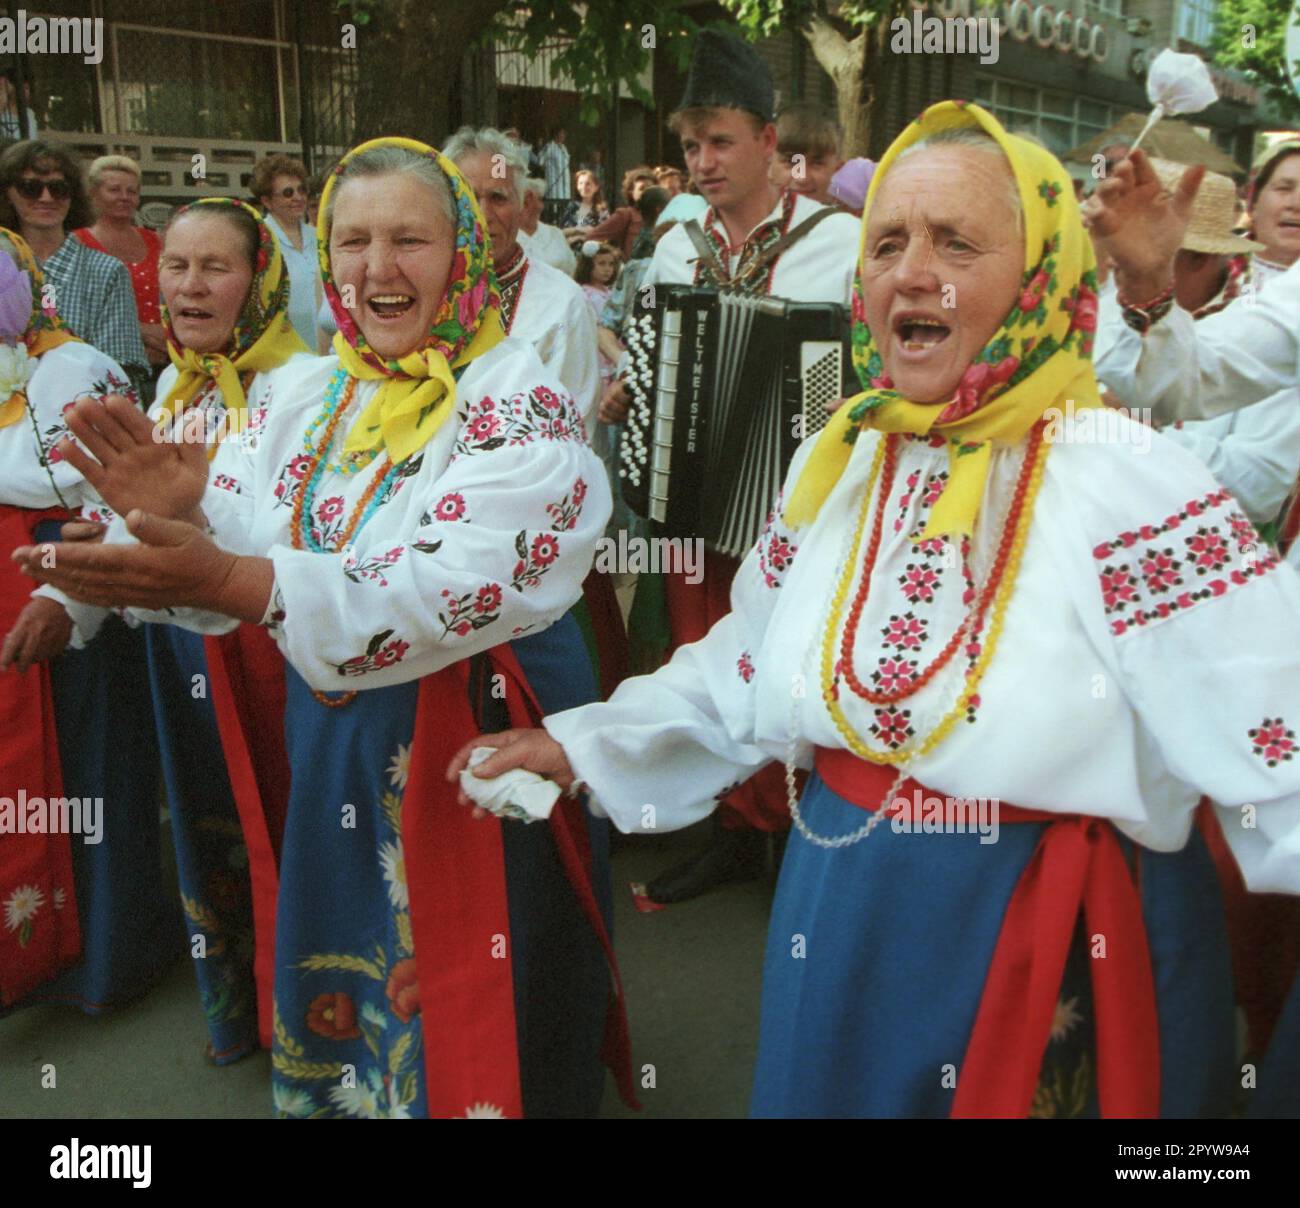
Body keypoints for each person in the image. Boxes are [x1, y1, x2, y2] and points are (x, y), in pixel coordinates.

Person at [452, 100, 1300, 1119]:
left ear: (1040, 274)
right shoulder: (842, 459)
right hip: (842, 904)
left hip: (1044, 939)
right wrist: (587, 744)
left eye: (956, 241)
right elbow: (753, 656)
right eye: (887, 240)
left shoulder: (1130, 481)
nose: (910, 269)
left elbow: (1272, 727)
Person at [16, 136, 631, 1119]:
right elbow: (248, 534)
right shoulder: (306, 390)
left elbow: (452, 588)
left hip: (474, 744)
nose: (375, 269)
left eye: (409, 240)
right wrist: (188, 521)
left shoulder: (520, 402)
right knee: (356, 959)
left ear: (463, 253)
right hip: (342, 738)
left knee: (480, 988)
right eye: (352, 239)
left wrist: (232, 571)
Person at [599, 28, 859, 904]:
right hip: (693, 497)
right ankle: (731, 826)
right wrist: (631, 398)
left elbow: (869, 371)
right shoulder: (676, 248)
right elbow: (654, 356)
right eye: (688, 146)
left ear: (767, 142)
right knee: (701, 648)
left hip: (795, 503)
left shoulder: (840, 245)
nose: (702, 162)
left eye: (719, 142)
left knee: (785, 657)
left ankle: (793, 830)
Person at [50, 199, 308, 1064]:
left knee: (284, 826)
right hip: (184, 647)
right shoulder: (175, 384)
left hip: (268, 651)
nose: (190, 285)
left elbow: (287, 535)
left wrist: (193, 527)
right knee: (213, 825)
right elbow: (149, 510)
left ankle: (305, 1016)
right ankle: (243, 1011)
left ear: (262, 281)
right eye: (176, 266)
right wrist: (104, 549)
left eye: (216, 267)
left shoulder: (305, 387)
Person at [0, 228, 176, 1014]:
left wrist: (66, 597)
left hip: (68, 586)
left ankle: (111, 958)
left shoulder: (76, 367)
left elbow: (115, 494)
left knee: (92, 773)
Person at [445, 128, 599, 434]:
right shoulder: (421, 289)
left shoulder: (561, 303)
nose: (482, 214)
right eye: (467, 197)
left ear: (522, 207)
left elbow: (571, 428)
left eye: (498, 198)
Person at [0, 141, 148, 397]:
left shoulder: (107, 272)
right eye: (30, 188)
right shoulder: (5, 265)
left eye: (58, 188)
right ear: (8, 194)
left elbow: (120, 374)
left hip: (80, 417)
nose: (46, 197)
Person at [73, 155, 167, 376]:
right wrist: (140, 332)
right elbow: (78, 311)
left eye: (132, 191)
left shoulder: (157, 240)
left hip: (168, 360)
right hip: (109, 363)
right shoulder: (77, 243)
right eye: (114, 190)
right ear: (93, 194)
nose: (124, 197)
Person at [251, 153, 320, 351]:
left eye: (302, 190)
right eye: (288, 192)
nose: (298, 197)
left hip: (326, 349)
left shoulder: (320, 237)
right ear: (267, 201)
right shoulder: (259, 242)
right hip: (283, 352)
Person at [773, 101, 843, 206]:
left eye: (817, 163)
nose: (802, 178)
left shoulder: (851, 222)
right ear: (768, 163)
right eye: (792, 162)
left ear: (838, 169)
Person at [587, 165, 659, 260]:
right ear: (631, 192)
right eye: (642, 188)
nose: (648, 192)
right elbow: (593, 237)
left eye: (651, 188)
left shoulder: (662, 215)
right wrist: (614, 254)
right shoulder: (626, 214)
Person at [518, 176, 577, 276]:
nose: (537, 206)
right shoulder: (505, 237)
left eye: (539, 200)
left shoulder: (555, 234)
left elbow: (572, 270)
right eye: (526, 201)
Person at [559, 169, 609, 235]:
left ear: (596, 187)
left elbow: (605, 232)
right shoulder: (572, 206)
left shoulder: (602, 209)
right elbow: (561, 231)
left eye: (588, 184)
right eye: (580, 183)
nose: (583, 187)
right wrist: (579, 230)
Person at [539, 126, 571, 224]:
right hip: (554, 187)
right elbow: (540, 161)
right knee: (553, 213)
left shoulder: (564, 148)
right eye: (562, 133)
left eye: (564, 134)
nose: (563, 136)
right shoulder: (549, 146)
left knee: (564, 213)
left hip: (564, 187)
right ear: (556, 134)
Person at [0, 68, 37, 142]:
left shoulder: (30, 114)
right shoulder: (2, 114)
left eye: (27, 88)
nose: (25, 93)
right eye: (22, 88)